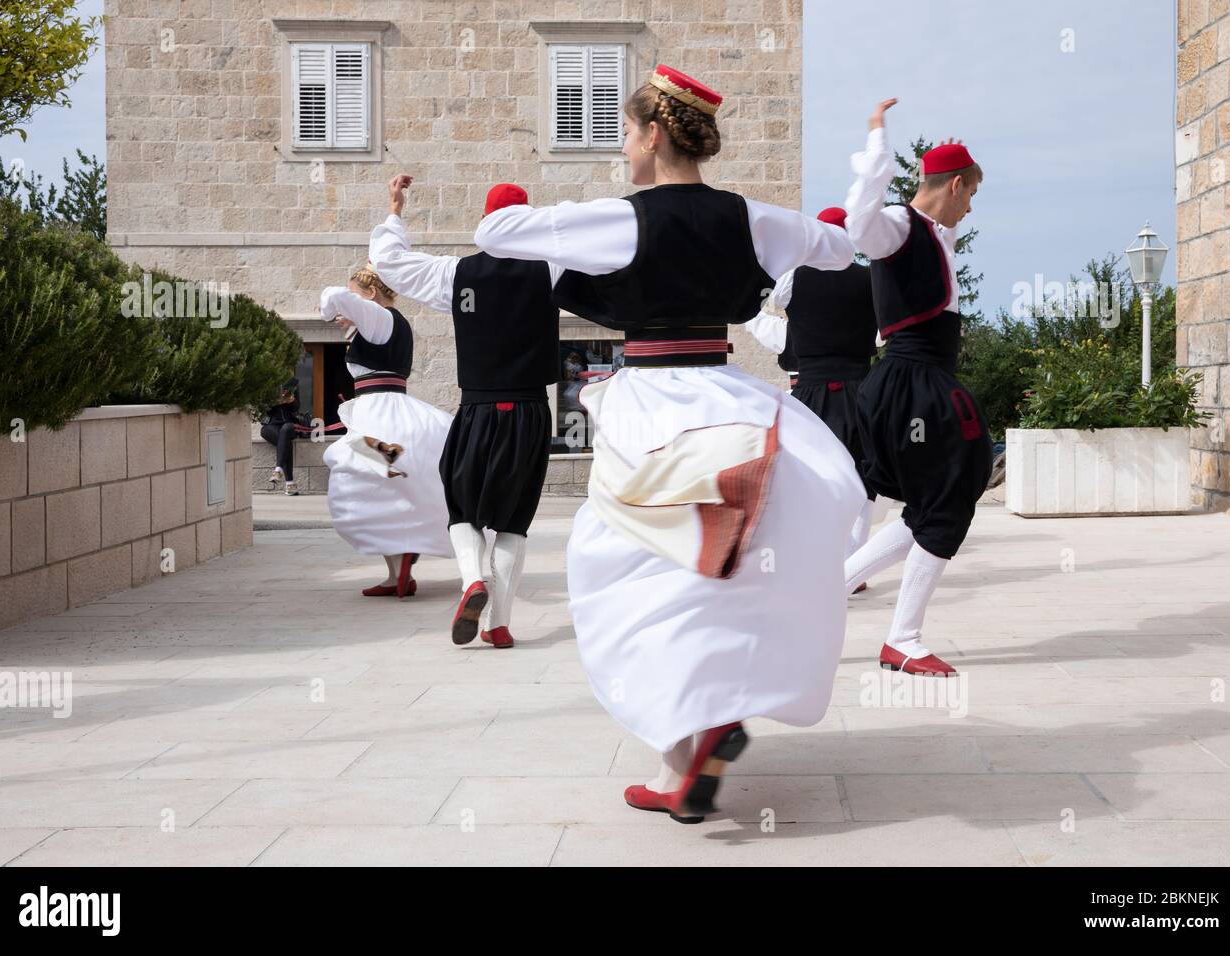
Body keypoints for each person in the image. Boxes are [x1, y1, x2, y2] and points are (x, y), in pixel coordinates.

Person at [473, 65, 865, 823]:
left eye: (625, 132)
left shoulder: (625, 219)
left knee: (623, 570)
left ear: (653, 135)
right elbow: (838, 251)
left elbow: (496, 234)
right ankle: (691, 747)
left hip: (651, 402)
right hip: (728, 392)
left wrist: (539, 214)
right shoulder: (749, 216)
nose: (623, 147)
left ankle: (686, 749)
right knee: (712, 566)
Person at [368, 176, 562, 649]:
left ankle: (473, 579)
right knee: (515, 521)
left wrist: (395, 210)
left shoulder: (457, 274)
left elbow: (390, 263)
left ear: (485, 222)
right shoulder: (554, 270)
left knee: (462, 508)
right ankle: (498, 623)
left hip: (478, 406)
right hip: (533, 409)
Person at [841, 98, 992, 677]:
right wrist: (877, 140)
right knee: (952, 491)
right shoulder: (898, 226)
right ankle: (902, 636)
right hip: (912, 383)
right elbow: (859, 220)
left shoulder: (931, 232)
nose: (972, 208)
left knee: (935, 503)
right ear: (954, 186)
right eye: (971, 194)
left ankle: (836, 597)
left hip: (919, 381)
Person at [743, 206, 880, 585]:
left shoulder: (794, 278)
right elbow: (884, 332)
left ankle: (813, 560)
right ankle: (853, 566)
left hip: (810, 389)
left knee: (809, 475)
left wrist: (793, 335)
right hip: (859, 387)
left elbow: (765, 309)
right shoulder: (871, 280)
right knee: (863, 474)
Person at [319, 266, 455, 599]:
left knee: (363, 484)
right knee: (384, 486)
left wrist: (331, 309)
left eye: (354, 297)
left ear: (370, 294)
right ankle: (398, 572)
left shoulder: (380, 319)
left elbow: (332, 296)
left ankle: (402, 562)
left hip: (379, 412)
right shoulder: (376, 326)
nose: (342, 313)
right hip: (387, 410)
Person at [261, 378, 301, 495]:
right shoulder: (265, 382)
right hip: (270, 424)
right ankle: (289, 484)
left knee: (286, 430)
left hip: (289, 424)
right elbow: (262, 408)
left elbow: (297, 407)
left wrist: (292, 401)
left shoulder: (292, 383)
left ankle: (278, 470)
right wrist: (277, 401)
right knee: (285, 443)